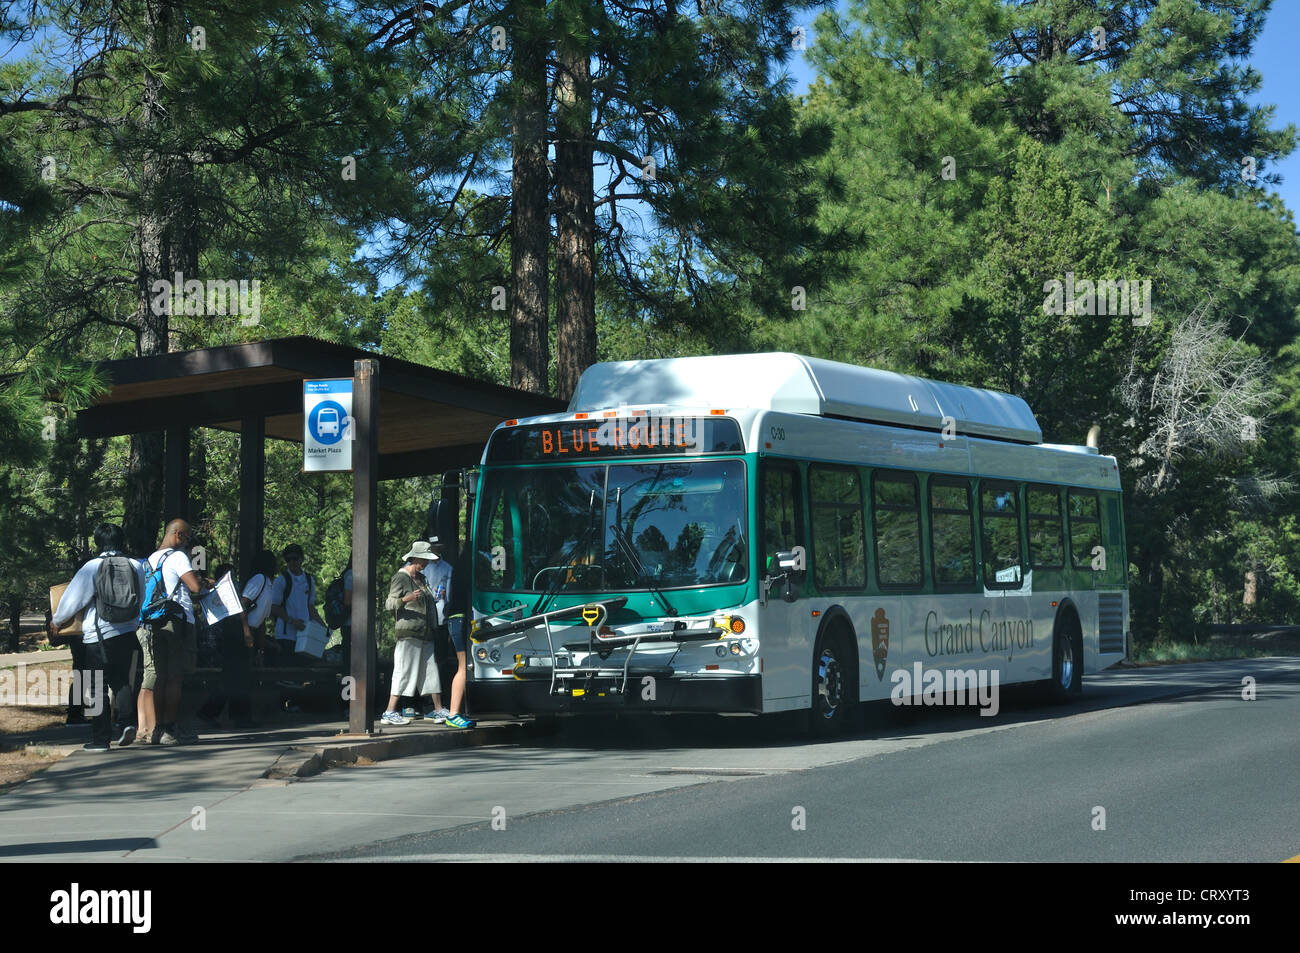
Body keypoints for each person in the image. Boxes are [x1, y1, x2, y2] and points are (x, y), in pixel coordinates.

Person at [47, 523, 145, 751]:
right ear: (123, 542)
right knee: (121, 680)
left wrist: (57, 621)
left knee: (94, 686)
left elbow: (74, 600)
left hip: (98, 635)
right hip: (128, 631)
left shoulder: (91, 567)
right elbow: (140, 596)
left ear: (98, 542)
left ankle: (101, 739)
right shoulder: (135, 565)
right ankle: (127, 723)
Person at [140, 519, 206, 746]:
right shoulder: (178, 556)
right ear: (177, 534)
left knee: (160, 676)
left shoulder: (149, 559)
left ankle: (158, 728)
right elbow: (194, 587)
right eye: (186, 538)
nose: (187, 543)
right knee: (176, 677)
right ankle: (170, 728)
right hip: (177, 621)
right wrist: (203, 582)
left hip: (155, 622)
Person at [380, 542, 443, 726]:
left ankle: (439, 709)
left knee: (431, 671)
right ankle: (389, 711)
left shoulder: (422, 578)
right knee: (403, 671)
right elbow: (389, 604)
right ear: (415, 557)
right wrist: (405, 599)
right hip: (408, 633)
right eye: (424, 559)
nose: (427, 563)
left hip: (425, 632)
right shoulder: (401, 578)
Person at [195, 562, 256, 730]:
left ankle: (229, 715)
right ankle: (221, 714)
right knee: (236, 677)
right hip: (232, 636)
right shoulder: (228, 588)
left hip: (224, 636)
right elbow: (240, 611)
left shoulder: (212, 591)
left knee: (233, 677)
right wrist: (246, 631)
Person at [440, 541, 475, 729]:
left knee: (465, 666)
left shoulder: (457, 569)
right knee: (463, 667)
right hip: (461, 620)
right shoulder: (472, 570)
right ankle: (453, 714)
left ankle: (458, 712)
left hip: (455, 619)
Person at [268, 544, 323, 662]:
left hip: (305, 636)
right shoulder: (281, 580)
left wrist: (323, 627)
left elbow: (310, 607)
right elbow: (274, 607)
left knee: (305, 673)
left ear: (302, 559)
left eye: (295, 558)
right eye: (288, 559)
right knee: (287, 673)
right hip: (285, 636)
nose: (291, 562)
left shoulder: (309, 580)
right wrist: (292, 621)